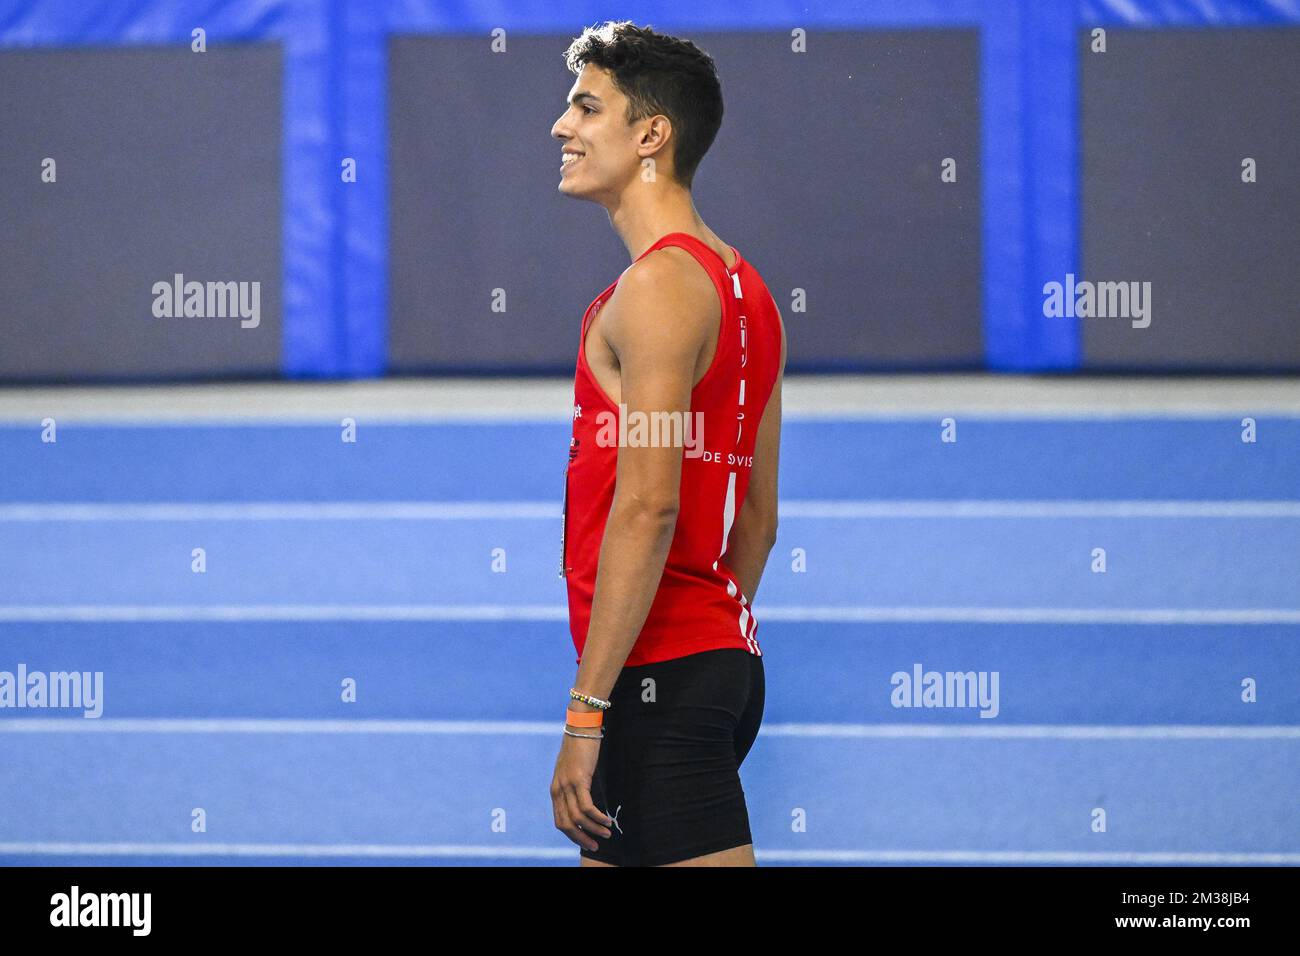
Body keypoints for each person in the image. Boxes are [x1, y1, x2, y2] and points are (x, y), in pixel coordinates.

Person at [548, 21, 786, 867]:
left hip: (656, 677)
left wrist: (587, 709)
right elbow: (756, 522)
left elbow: (648, 505)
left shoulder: (655, 290)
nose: (560, 127)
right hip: (709, 662)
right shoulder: (747, 289)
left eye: (586, 107)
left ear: (652, 135)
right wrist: (716, 641)